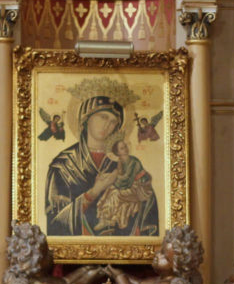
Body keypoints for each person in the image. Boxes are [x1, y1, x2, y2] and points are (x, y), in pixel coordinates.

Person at [45, 93, 158, 237]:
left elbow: (149, 211)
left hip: (125, 249)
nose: (107, 125)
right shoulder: (63, 166)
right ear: (86, 117)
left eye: (113, 122)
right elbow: (54, 224)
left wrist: (136, 196)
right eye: (103, 117)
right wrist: (93, 193)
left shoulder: (126, 162)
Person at [94, 138, 153, 232]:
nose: (125, 149)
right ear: (117, 152)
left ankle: (109, 219)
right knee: (110, 190)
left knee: (116, 194)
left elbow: (126, 180)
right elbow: (120, 178)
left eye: (125, 146)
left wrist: (113, 178)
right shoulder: (120, 161)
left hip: (139, 188)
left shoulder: (133, 161)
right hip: (128, 186)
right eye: (122, 148)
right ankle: (105, 219)